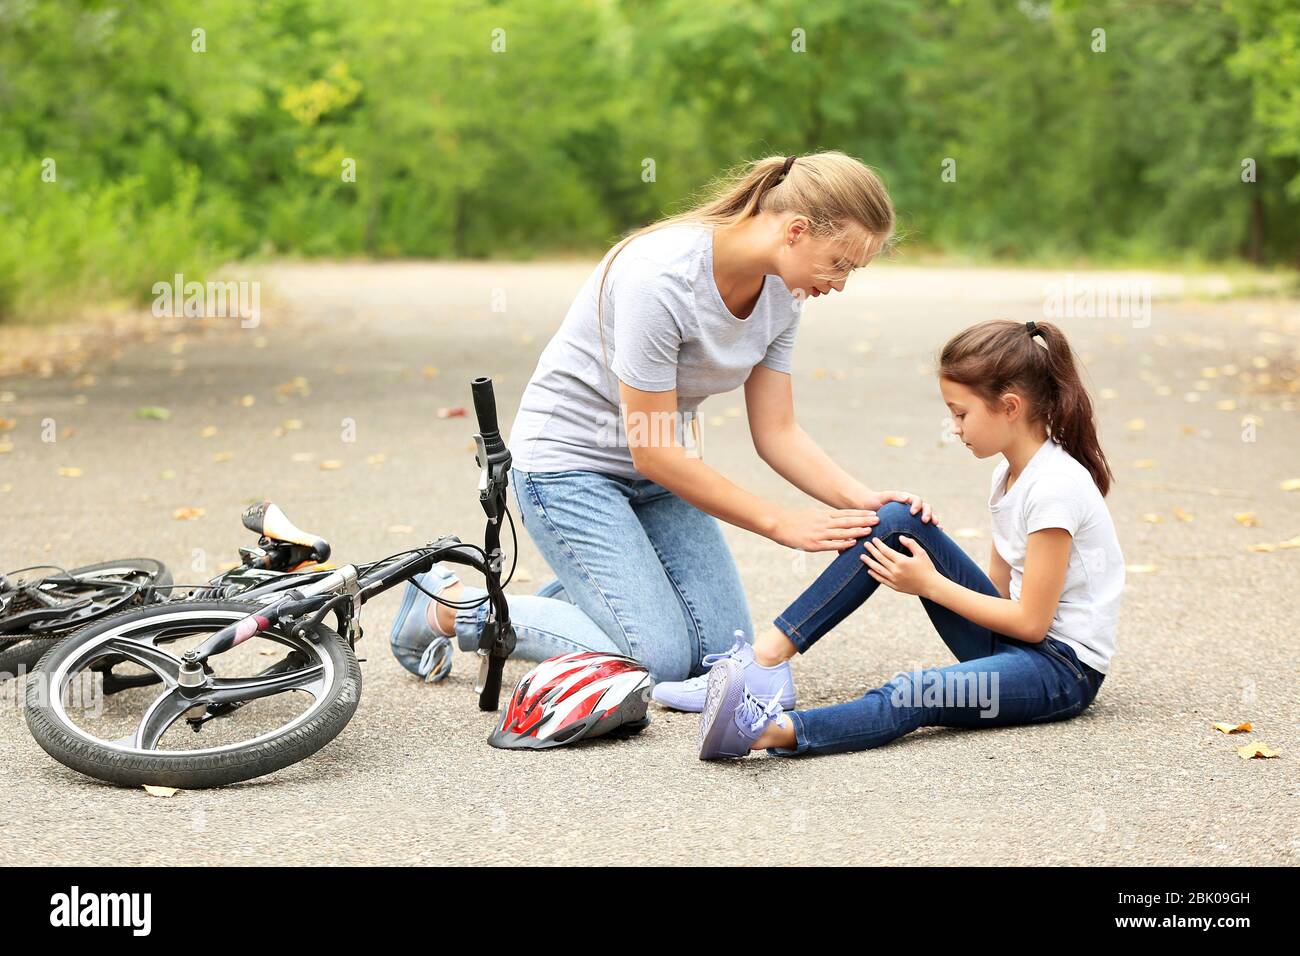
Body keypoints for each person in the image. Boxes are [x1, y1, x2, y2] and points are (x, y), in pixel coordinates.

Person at [391, 151, 935, 685]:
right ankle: (447, 608)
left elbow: (777, 432)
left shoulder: (784, 294)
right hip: (569, 469)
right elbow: (650, 447)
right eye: (839, 263)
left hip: (663, 473)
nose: (839, 283)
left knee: (720, 655)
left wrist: (862, 500)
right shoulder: (661, 276)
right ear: (795, 230)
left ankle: (604, 592)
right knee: (657, 659)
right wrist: (778, 522)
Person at [696, 319, 1123, 760]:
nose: (955, 427)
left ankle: (764, 731)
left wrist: (929, 584)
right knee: (898, 519)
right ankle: (764, 659)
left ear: (1010, 407)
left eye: (961, 413)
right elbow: (998, 595)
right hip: (1015, 646)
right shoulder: (1008, 475)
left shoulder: (1055, 487)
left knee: (916, 690)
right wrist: (927, 561)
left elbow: (1032, 622)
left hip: (1061, 671)